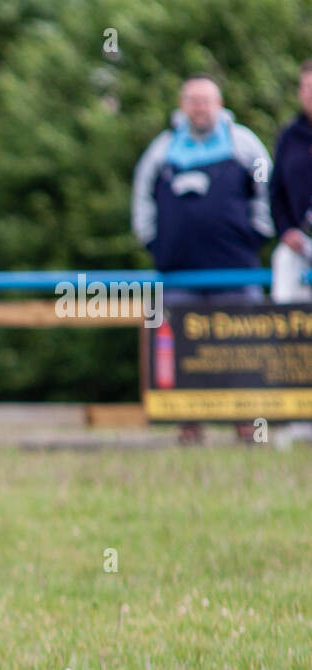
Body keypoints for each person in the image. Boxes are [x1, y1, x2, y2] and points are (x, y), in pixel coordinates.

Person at [132, 74, 274, 443]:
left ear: (219, 104)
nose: (199, 107)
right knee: (181, 351)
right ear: (182, 106)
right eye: (192, 100)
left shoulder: (244, 145)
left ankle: (246, 423)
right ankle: (189, 424)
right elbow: (141, 198)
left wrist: (256, 236)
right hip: (179, 274)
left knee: (241, 349)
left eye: (205, 100)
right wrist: (154, 244)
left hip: (237, 271)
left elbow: (268, 190)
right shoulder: (162, 150)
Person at [270, 60, 312, 304]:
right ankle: (282, 339)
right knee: (283, 261)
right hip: (301, 239)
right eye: (306, 87)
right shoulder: (289, 136)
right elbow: (275, 190)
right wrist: (286, 229)